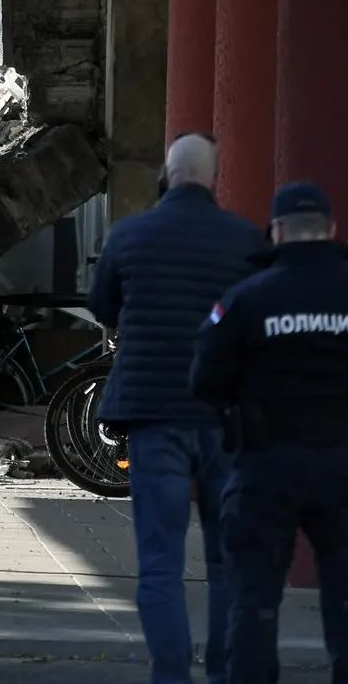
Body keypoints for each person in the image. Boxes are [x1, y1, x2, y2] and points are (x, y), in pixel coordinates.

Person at [87, 132, 266, 684]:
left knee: (160, 560)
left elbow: (102, 306)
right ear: (213, 177)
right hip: (222, 420)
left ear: (166, 174)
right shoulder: (244, 240)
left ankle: (170, 675)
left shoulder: (129, 234)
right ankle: (223, 673)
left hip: (153, 414)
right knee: (225, 560)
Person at [191, 181, 348, 684]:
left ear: (276, 232)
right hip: (344, 465)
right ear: (331, 230)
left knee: (255, 600)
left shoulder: (248, 297)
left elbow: (205, 379)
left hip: (266, 466)